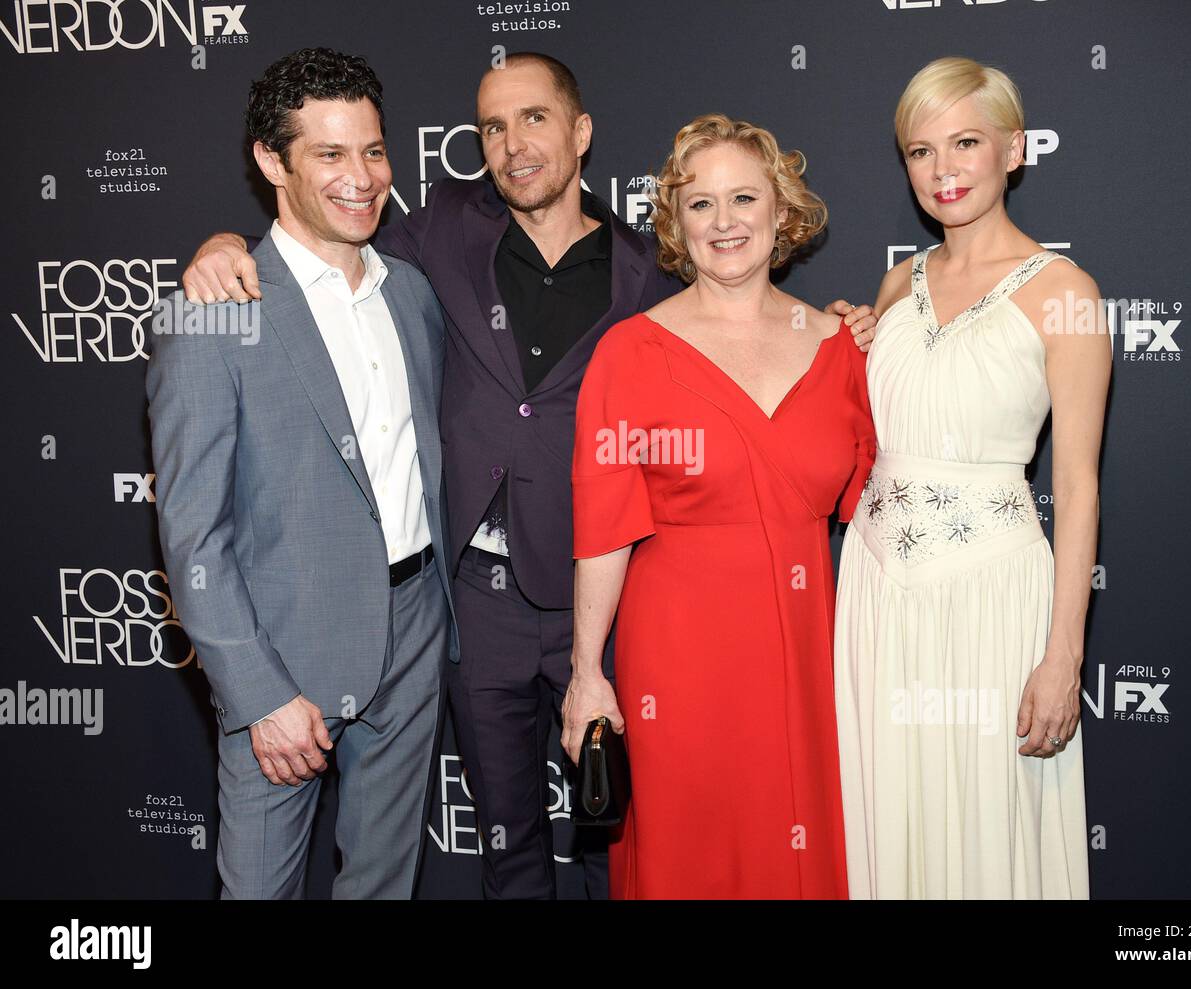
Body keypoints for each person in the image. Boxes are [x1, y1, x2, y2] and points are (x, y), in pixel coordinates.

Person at [179, 55, 878, 899]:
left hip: (609, 599)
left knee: (610, 829)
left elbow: (747, 322)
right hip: (475, 602)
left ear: (580, 133)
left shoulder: (646, 272)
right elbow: (316, 253)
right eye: (494, 128)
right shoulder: (436, 231)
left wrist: (850, 319)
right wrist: (222, 246)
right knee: (506, 842)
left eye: (536, 119)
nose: (514, 145)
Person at [146, 48, 459, 899]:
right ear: (270, 161)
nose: (361, 178)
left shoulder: (413, 297)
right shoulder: (216, 312)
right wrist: (257, 694)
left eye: (373, 150)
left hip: (414, 627)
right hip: (283, 654)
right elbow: (191, 532)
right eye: (329, 154)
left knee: (385, 885)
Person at [561, 114, 876, 899]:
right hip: (678, 655)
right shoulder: (629, 352)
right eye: (700, 204)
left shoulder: (843, 349)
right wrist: (586, 670)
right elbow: (602, 527)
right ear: (675, 222)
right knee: (689, 850)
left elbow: (879, 511)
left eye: (744, 198)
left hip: (805, 648)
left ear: (783, 211)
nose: (725, 221)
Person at [834, 56, 1109, 899]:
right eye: (921, 150)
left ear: (1014, 150)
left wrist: (1063, 655)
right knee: (889, 815)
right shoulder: (894, 284)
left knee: (990, 823)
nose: (943, 169)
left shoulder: (1065, 293)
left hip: (992, 601)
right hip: (879, 590)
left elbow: (1081, 482)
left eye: (965, 142)